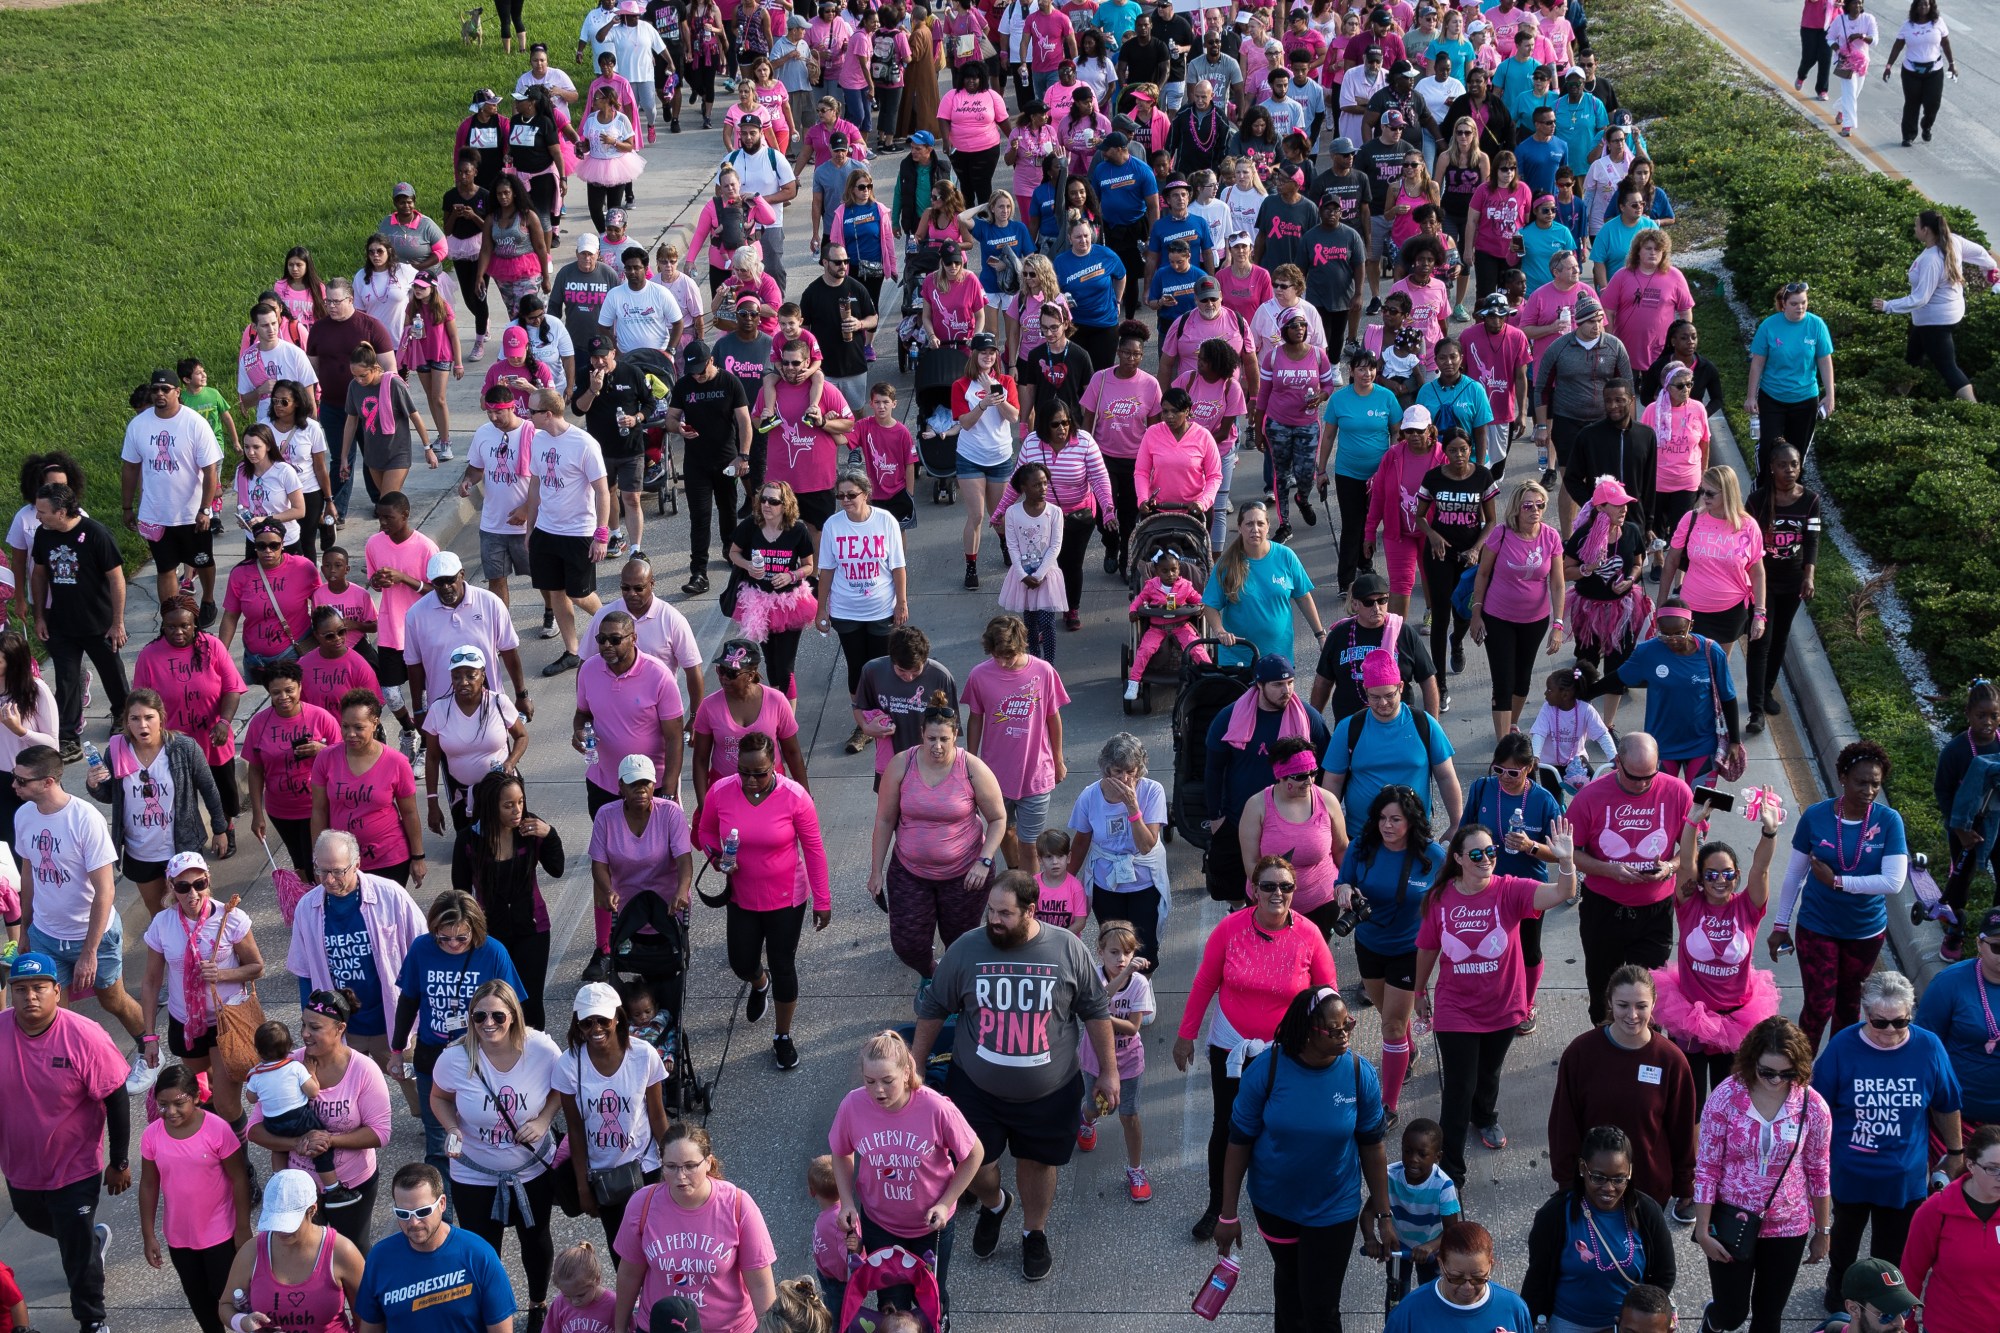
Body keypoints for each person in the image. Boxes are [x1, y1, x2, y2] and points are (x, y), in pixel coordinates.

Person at [911, 872, 1116, 1282]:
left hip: (1050, 1092)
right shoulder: (967, 949)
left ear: (1031, 910)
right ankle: (993, 1204)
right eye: (991, 910)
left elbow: (1095, 1010)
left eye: (1005, 913)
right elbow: (934, 1007)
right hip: (975, 1089)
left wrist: (1109, 1071)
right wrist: (915, 1066)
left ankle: (1033, 1231)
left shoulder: (1067, 949)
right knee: (974, 1165)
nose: (995, 920)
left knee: (1037, 1164)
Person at [1175, 853, 1339, 1239]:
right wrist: (1186, 1035)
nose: (1277, 893)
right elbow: (1204, 984)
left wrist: (1332, 1048)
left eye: (1285, 887)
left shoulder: (1310, 934)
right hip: (1231, 1046)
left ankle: (1282, 1202)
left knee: (1283, 1128)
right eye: (1268, 886)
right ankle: (1219, 1206)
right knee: (1227, 1127)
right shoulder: (1230, 929)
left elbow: (1328, 994)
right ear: (1253, 889)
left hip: (1286, 1052)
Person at [1212, 987, 1394, 1333]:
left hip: (1334, 1209)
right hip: (1275, 1206)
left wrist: (1383, 1212)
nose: (1344, 1035)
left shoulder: (1358, 1074)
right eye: (1334, 1028)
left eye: (1348, 1024)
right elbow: (1238, 1143)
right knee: (1291, 1288)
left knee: (1321, 1307)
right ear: (1307, 1031)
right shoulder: (1265, 1071)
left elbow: (1372, 1146)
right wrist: (1227, 1213)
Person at [1415, 819, 1580, 1184]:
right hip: (1455, 1007)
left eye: (1491, 851)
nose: (1487, 858)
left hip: (1503, 1005)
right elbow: (1427, 948)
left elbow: (1560, 892)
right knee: (1459, 1088)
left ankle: (1485, 1116)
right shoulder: (1440, 899)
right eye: (1476, 853)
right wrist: (1419, 991)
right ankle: (1450, 1173)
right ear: (1457, 858)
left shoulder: (1510, 890)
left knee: (1488, 1073)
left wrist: (1566, 863)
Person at [1811, 969, 1963, 1306]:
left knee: (1891, 1255)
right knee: (1844, 1247)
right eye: (1880, 1023)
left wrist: (1955, 1151)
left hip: (1903, 1179)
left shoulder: (1928, 1047)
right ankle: (1839, 1298)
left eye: (1900, 1022)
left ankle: (1882, 1308)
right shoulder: (1842, 1048)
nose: (1890, 1031)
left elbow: (1946, 1103)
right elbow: (1817, 1109)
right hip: (1851, 1174)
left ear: (1911, 1014)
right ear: (1866, 1014)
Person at [0, 951, 132, 1333]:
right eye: (20, 989)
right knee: (40, 1221)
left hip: (74, 1166)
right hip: (20, 1166)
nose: (30, 997)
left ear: (57, 991)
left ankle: (92, 1319)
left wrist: (119, 1161)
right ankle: (88, 1241)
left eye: (39, 987)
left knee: (75, 1250)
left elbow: (116, 1096)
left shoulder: (84, 1036)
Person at [430, 979, 563, 1325]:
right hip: (474, 1173)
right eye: (479, 1016)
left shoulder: (542, 1050)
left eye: (498, 1017)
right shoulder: (454, 1059)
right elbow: (439, 1098)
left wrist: (545, 1119)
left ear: (514, 1017)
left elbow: (564, 1087)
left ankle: (537, 1305)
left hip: (530, 1167)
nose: (488, 1024)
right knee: (482, 1250)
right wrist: (453, 1129)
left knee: (535, 1240)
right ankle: (492, 1313)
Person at [696, 732, 832, 1070]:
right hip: (742, 896)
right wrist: (718, 859)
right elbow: (706, 832)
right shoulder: (721, 792)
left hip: (787, 897)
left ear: (775, 766)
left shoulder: (795, 797)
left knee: (783, 963)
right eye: (745, 772)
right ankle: (760, 982)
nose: (752, 780)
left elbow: (813, 850)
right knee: (740, 962)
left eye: (761, 772)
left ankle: (782, 1036)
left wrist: (822, 899)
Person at [828, 1030, 985, 1318]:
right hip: (880, 1226)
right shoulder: (852, 1105)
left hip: (931, 1228)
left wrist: (946, 1201)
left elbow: (974, 1154)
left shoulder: (935, 1107)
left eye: (888, 1081)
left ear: (906, 1072)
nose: (878, 1091)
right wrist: (847, 1202)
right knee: (891, 1304)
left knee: (932, 1297)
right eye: (870, 1081)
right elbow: (840, 1152)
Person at [14, 743, 153, 1070]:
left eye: (22, 781)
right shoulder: (23, 816)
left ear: (48, 782)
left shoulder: (84, 819)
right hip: (46, 935)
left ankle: (148, 1050)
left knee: (112, 1000)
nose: (14, 786)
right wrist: (24, 932)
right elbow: (29, 875)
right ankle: (69, 1070)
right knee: (54, 1011)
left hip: (93, 936)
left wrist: (89, 952)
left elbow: (104, 891)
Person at [1691, 1017, 1834, 1333]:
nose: (1776, 1080)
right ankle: (1712, 1321)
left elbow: (1819, 1170)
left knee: (1769, 1317)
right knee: (1731, 1313)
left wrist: (1822, 1231)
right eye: (1767, 1072)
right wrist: (1703, 1230)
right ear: (1751, 1061)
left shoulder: (1814, 1106)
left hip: (1788, 1225)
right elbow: (1707, 1167)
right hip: (1732, 1219)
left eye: (1787, 1073)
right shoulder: (1726, 1097)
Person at [1653, 791, 1785, 1104]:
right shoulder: (1689, 903)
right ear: (1701, 879)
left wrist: (1769, 830)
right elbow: (1685, 863)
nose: (1719, 880)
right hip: (1689, 1019)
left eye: (1727, 874)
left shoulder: (1748, 907)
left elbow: (1762, 869)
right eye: (1711, 874)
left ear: (1737, 877)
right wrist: (1692, 823)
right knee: (1690, 1102)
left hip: (1736, 1023)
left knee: (1733, 1103)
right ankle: (1691, 1153)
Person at [392, 892, 526, 1195]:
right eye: (443, 938)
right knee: (439, 1142)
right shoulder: (421, 949)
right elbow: (409, 1000)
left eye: (461, 938)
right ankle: (444, 1218)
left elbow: (514, 1011)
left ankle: (480, 1197)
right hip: (433, 1057)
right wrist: (397, 1050)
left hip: (480, 1058)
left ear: (475, 930)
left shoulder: (493, 952)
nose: (452, 944)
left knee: (484, 1134)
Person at [866, 697, 1007, 978]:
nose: (937, 746)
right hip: (910, 872)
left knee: (960, 942)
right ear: (922, 734)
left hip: (964, 875)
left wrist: (985, 860)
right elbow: (884, 819)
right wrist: (876, 870)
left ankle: (952, 988)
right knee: (908, 944)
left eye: (944, 738)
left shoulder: (972, 768)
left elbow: (998, 819)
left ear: (956, 735)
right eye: (931, 738)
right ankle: (932, 975)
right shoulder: (901, 764)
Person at [245, 986, 395, 1250]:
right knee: (309, 1259)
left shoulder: (364, 1070)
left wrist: (328, 1140)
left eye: (314, 1028)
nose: (304, 1034)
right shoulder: (287, 1064)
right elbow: (255, 1130)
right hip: (300, 1189)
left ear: (340, 1029)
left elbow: (380, 1133)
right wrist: (298, 1144)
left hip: (353, 1183)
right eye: (303, 1025)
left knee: (353, 1253)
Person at [284, 831, 426, 1105]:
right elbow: (304, 973)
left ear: (357, 864)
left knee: (417, 1086)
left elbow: (423, 948)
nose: (328, 880)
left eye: (337, 872)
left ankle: (431, 1130)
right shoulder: (307, 907)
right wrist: (311, 1025)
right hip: (342, 1027)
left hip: (393, 1020)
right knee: (337, 1095)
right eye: (321, 871)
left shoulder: (391, 895)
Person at [1548, 968, 1698, 1221]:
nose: (1632, 1015)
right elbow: (1564, 1123)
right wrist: (1566, 1182)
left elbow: (1682, 1129)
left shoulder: (1671, 1060)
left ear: (1654, 1005)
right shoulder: (1581, 1053)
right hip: (1593, 1188)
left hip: (1648, 1190)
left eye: (1641, 1006)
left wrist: (1685, 1185)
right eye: (1623, 1005)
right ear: (1609, 1003)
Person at [135, 852, 263, 1124]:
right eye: (183, 886)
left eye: (199, 884)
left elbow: (257, 967)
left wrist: (223, 973)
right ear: (171, 887)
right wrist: (149, 1037)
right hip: (185, 1023)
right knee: (202, 1097)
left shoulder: (231, 917)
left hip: (225, 1020)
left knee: (228, 1105)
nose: (192, 893)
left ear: (208, 881)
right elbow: (151, 981)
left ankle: (241, 1164)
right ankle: (217, 1151)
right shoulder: (162, 924)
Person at [82, 686, 227, 919]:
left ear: (161, 718)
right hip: (140, 851)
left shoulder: (184, 748)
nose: (143, 725)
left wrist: (220, 829)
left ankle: (197, 954)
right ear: (126, 722)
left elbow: (209, 789)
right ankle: (172, 956)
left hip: (181, 847)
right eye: (135, 719)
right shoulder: (117, 751)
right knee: (159, 914)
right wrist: (94, 784)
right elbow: (111, 796)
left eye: (149, 717)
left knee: (193, 910)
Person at [1201, 652, 1333, 903]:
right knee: (1228, 886)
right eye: (1278, 684)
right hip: (1238, 817)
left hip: (1290, 821)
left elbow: (1327, 767)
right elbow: (1213, 769)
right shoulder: (1229, 718)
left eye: (1290, 682)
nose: (1287, 690)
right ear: (1259, 685)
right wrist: (1215, 816)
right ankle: (1238, 913)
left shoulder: (1308, 717)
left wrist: (1322, 810)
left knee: (1281, 888)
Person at [1520, 1124, 1678, 1333]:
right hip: (1569, 1324)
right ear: (1582, 1169)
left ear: (1629, 1172)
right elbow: (1538, 1279)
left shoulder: (1647, 1212)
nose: (1609, 1188)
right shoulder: (1554, 1215)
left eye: (1618, 1179)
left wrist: (1638, 1321)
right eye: (1598, 1177)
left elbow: (1664, 1275)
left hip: (1629, 1327)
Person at [554, 980, 670, 1253]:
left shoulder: (644, 1055)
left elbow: (656, 1115)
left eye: (603, 1020)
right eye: (587, 1023)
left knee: (657, 1246)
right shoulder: (568, 1065)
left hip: (645, 1166)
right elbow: (576, 1129)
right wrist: (583, 1186)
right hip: (604, 1176)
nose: (596, 1029)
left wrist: (672, 1165)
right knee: (622, 1252)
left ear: (618, 1017)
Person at [139, 1063, 254, 1333]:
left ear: (196, 1097)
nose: (170, 1112)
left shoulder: (217, 1130)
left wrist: (242, 1229)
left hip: (221, 1234)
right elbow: (148, 1185)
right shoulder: (151, 1136)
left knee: (231, 1300)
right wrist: (148, 1234)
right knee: (200, 1301)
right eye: (163, 1105)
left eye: (178, 1103)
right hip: (179, 1238)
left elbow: (239, 1179)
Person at [451, 773, 563, 1031]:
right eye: (508, 805)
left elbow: (557, 869)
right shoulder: (468, 839)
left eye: (521, 802)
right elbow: (461, 893)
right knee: (494, 1002)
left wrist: (550, 835)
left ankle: (533, 1059)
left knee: (530, 1003)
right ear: (491, 806)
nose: (518, 810)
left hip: (532, 929)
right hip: (489, 934)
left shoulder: (531, 829)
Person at [30, 483, 132, 761]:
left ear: (61, 512)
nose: (37, 517)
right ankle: (67, 737)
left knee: (112, 672)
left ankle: (123, 715)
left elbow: (116, 578)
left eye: (42, 512)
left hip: (99, 623)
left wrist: (117, 622)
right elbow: (39, 575)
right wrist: (39, 616)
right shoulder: (43, 534)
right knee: (66, 681)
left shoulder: (96, 533)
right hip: (61, 623)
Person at [962, 614, 1069, 877]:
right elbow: (975, 719)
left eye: (1008, 656)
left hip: (1036, 773)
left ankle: (1028, 892)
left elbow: (1053, 717)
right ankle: (1014, 873)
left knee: (1030, 843)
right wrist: (969, 765)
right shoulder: (979, 675)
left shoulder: (1043, 671)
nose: (1003, 662)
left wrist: (1058, 759)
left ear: (1021, 646)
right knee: (1004, 830)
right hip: (994, 776)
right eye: (997, 656)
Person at [355, 1163, 517, 1333]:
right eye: (403, 1214)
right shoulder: (380, 1258)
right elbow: (370, 1327)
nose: (413, 1222)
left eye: (423, 1211)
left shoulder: (479, 1256)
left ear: (442, 1204)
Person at [521, 388, 613, 678]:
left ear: (547, 414)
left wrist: (601, 533)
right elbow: (535, 484)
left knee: (579, 593)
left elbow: (602, 490)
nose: (527, 414)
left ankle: (616, 623)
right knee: (555, 591)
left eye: (532, 411)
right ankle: (572, 651)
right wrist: (530, 526)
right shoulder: (537, 439)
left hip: (578, 532)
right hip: (547, 530)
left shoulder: (583, 443)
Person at [121, 367, 224, 617]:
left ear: (177, 392)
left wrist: (205, 509)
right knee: (165, 567)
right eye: (155, 389)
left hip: (191, 513)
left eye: (165, 389)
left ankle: (208, 600)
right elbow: (130, 468)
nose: (160, 394)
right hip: (156, 512)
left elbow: (210, 471)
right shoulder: (138, 426)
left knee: (203, 560)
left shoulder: (194, 424)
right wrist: (127, 507)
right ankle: (170, 615)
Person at [1467, 480, 1566, 737]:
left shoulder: (1551, 536)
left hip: (1534, 620)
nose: (1535, 510)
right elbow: (1483, 575)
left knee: (1522, 680)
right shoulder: (1500, 534)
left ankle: (1511, 725)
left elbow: (1557, 583)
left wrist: (1558, 625)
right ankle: (1503, 746)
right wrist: (1476, 614)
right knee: (1503, 681)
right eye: (1528, 505)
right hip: (1498, 617)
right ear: (1517, 508)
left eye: (1540, 504)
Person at [215, 1166, 368, 1333]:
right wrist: (243, 1322)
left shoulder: (342, 1252)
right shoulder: (252, 1251)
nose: (281, 1231)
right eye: (275, 1221)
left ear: (312, 1210)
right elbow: (225, 1305)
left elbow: (367, 1320)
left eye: (288, 1224)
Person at [584, 755, 694, 982]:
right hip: (628, 910)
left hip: (667, 907)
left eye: (646, 783)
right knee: (636, 968)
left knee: (664, 972)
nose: (641, 790)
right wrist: (607, 890)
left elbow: (684, 859)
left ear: (654, 785)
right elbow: (599, 864)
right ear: (621, 786)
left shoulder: (671, 813)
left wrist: (682, 890)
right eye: (633, 784)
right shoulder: (606, 816)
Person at [1325, 649, 1461, 832]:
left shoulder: (1425, 724)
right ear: (1365, 690)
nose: (1382, 703)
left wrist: (1456, 824)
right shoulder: (1348, 728)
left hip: (1415, 836)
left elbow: (1446, 777)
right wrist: (1333, 829)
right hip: (1361, 836)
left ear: (1401, 687)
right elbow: (1333, 781)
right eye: (1375, 696)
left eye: (1389, 695)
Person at [1065, 733, 1171, 965]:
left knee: (1145, 951)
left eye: (1130, 771)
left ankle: (1141, 993)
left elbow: (1146, 845)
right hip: (1106, 884)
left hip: (1144, 883)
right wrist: (1067, 880)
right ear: (1106, 770)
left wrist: (1133, 807)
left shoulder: (1152, 791)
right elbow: (1081, 841)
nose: (1124, 779)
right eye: (1117, 771)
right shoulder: (1090, 796)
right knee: (1114, 948)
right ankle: (1116, 994)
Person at [1871, 208, 1991, 403]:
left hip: (1936, 321)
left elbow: (1920, 298)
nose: (1914, 228)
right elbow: (1980, 253)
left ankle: (1975, 410)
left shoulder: (1931, 260)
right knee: (1913, 357)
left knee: (1948, 367)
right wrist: (1990, 268)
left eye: (1916, 225)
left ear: (1925, 230)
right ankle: (1897, 401)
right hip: (1944, 314)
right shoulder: (1953, 241)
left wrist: (1888, 306)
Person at [814, 470, 909, 711]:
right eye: (840, 495)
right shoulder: (832, 526)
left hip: (880, 610)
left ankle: (882, 712)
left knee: (881, 666)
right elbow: (826, 570)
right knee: (856, 667)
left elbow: (898, 566)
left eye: (851, 495)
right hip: (846, 611)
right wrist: (821, 609)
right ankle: (862, 719)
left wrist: (902, 602)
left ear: (865, 494)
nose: (845, 500)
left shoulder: (886, 520)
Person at [1743, 442, 1820, 735]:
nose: (1790, 471)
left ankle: (1766, 690)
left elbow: (1812, 541)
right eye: (1784, 465)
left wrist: (1808, 576)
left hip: (1791, 583)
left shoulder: (1810, 500)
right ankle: (1756, 710)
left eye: (1795, 465)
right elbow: (1747, 542)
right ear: (1772, 468)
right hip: (1762, 583)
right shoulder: (1757, 501)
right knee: (1760, 641)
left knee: (1780, 639)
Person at [402, 552, 530, 723]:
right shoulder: (415, 615)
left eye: (450, 580)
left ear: (462, 574)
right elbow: (414, 666)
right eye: (439, 582)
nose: (446, 587)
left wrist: (521, 695)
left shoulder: (490, 603)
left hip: (490, 707)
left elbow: (509, 651)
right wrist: (418, 710)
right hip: (443, 713)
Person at [311, 691, 423, 887]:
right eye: (345, 726)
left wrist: (418, 856)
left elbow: (410, 812)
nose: (350, 734)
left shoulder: (397, 763)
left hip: (390, 860)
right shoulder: (325, 759)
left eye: (359, 727)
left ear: (375, 723)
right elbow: (319, 810)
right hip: (341, 863)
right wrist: (318, 859)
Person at [1202, 499, 1325, 668]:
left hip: (1278, 657)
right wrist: (1220, 631)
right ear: (1239, 528)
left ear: (1268, 526)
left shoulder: (1286, 556)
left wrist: (1320, 635)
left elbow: (1304, 598)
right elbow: (1210, 605)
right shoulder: (1227, 563)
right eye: (1249, 524)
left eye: (1260, 523)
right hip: (1238, 658)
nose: (1255, 529)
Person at [421, 646, 530, 835]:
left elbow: (522, 736)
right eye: (456, 676)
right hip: (462, 795)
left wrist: (510, 762)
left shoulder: (499, 703)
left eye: (471, 675)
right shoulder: (438, 710)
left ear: (483, 675)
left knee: (510, 845)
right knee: (471, 851)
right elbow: (432, 757)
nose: (463, 682)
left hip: (503, 794)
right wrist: (432, 803)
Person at [1903, 1123, 2000, 1333]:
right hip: (1946, 1326)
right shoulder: (1936, 1211)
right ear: (1971, 1165)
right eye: (1993, 1168)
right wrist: (1905, 1326)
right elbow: (1910, 1276)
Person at [1746, 282, 1837, 480]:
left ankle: (1794, 499)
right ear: (1784, 304)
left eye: (1803, 302)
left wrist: (1830, 395)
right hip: (1772, 398)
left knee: (1797, 454)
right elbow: (1757, 364)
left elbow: (1824, 361)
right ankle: (1763, 493)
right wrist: (1751, 397)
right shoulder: (1769, 326)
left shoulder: (1816, 325)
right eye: (1794, 303)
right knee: (1768, 449)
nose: (1800, 308)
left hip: (1805, 400)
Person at [692, 639, 806, 796]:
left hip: (770, 789)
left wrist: (805, 796)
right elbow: (700, 760)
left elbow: (792, 753)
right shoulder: (708, 706)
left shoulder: (777, 701)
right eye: (721, 670)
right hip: (724, 790)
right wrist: (704, 806)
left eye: (731, 673)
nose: (724, 677)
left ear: (751, 675)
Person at [952, 332, 1022, 589]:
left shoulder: (1005, 382)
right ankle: (971, 566)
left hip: (1000, 458)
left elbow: (1013, 417)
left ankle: (1004, 542)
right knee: (977, 515)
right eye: (984, 352)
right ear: (974, 355)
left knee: (999, 516)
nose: (988, 356)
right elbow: (965, 424)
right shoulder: (961, 386)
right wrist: (982, 404)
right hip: (970, 458)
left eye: (992, 352)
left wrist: (995, 395)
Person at [1383, 1221, 1535, 1333]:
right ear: (1441, 1265)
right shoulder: (1407, 1314)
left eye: (1478, 1278)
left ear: (1491, 1265)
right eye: (1456, 1278)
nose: (1467, 1287)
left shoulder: (1514, 1308)